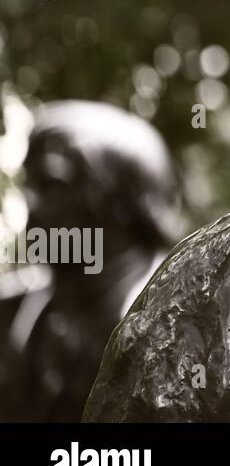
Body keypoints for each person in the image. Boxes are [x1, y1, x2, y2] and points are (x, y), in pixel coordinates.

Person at [0, 101, 183, 421]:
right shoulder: (8, 315)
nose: (31, 205)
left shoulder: (184, 325)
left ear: (121, 203)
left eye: (52, 184)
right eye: (29, 185)